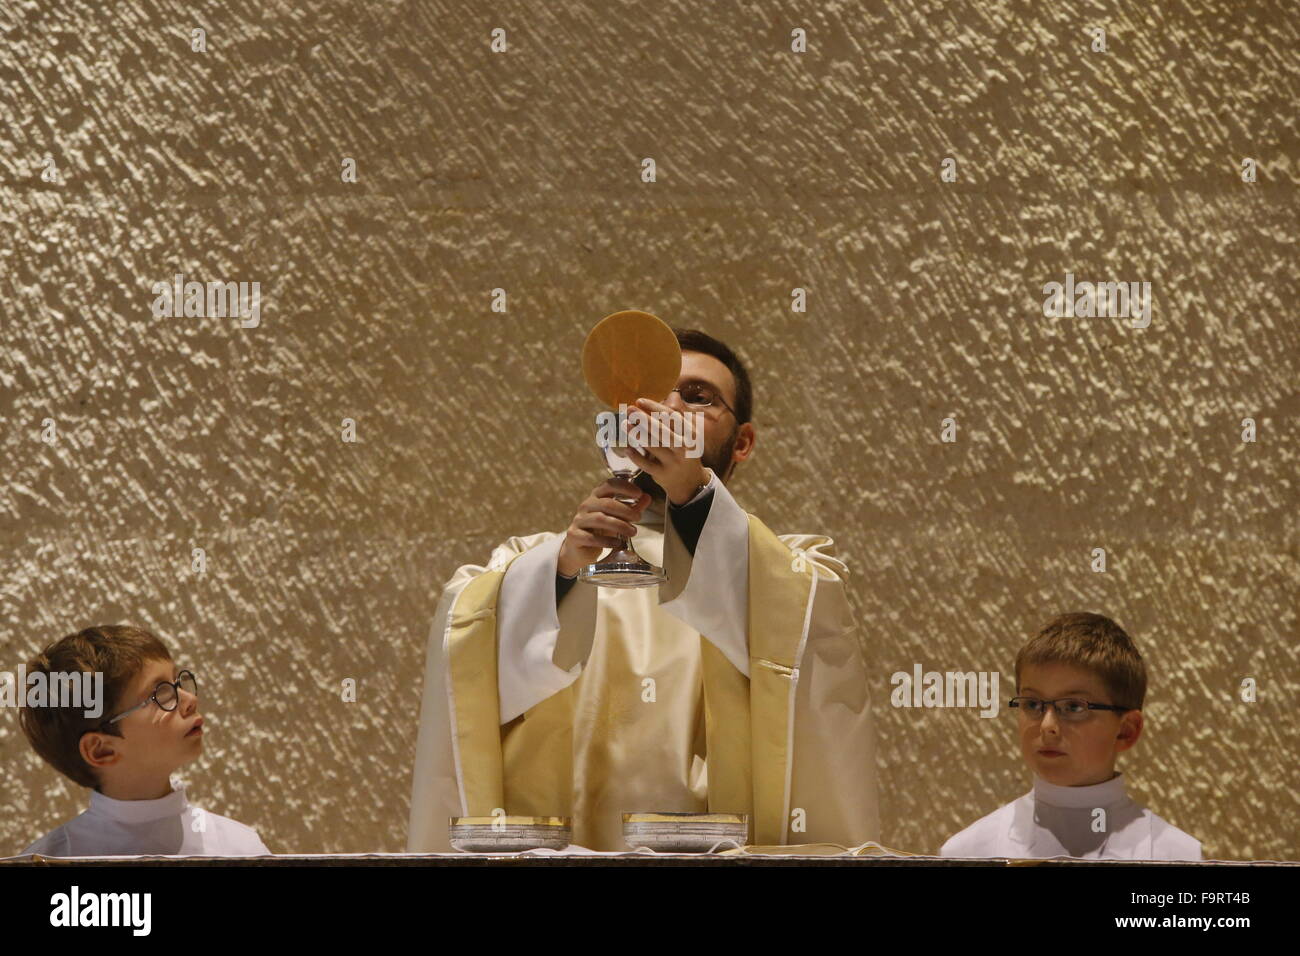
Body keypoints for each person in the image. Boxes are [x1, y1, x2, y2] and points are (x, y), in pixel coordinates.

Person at [409, 328, 879, 851]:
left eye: (698, 398)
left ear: (741, 442)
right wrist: (561, 571)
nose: (669, 409)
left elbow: (800, 629)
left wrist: (693, 493)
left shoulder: (786, 565)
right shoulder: (539, 559)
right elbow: (471, 649)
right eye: (656, 394)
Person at [939, 612, 1201, 860]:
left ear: (1126, 731)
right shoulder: (969, 852)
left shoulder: (1177, 855)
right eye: (1032, 704)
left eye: (1074, 707)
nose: (1047, 725)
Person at [15, 625, 270, 857]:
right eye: (160, 693)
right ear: (101, 749)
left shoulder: (239, 850)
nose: (189, 700)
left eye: (177, 681)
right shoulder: (51, 860)